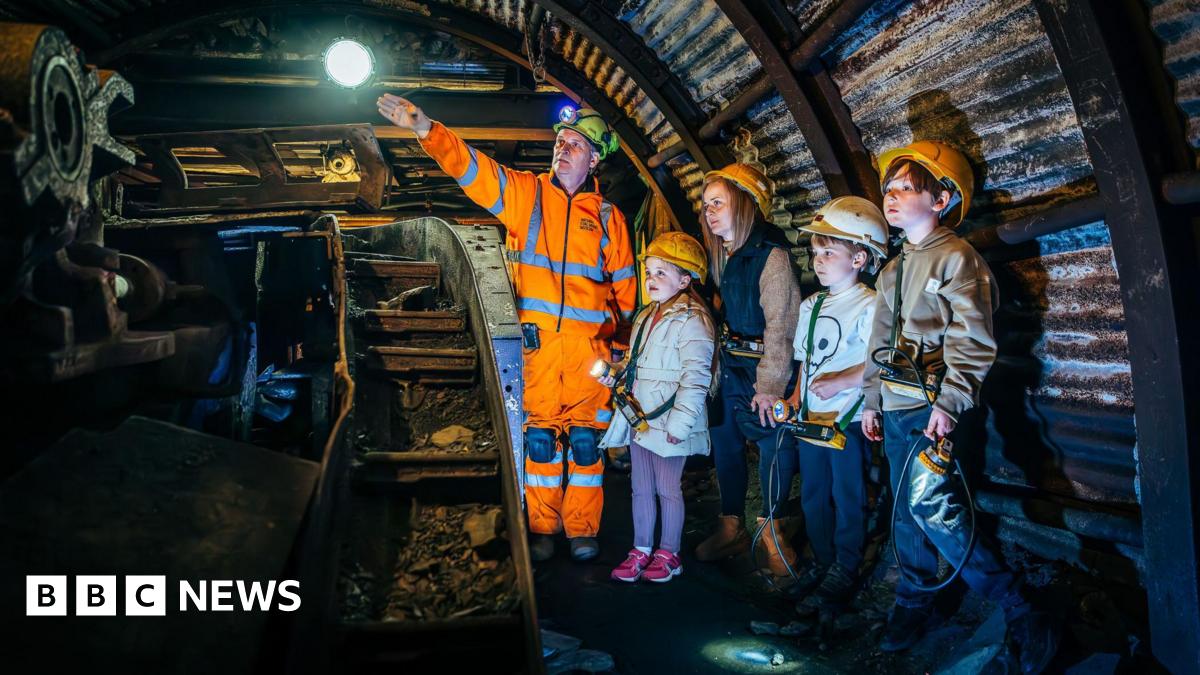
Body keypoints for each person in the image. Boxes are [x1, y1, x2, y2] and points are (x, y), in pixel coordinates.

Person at [377, 96, 636, 562]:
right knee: (539, 441)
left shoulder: (607, 219)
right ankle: (540, 528)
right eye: (561, 142)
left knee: (584, 445)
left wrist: (621, 348)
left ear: (594, 158)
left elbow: (626, 290)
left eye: (575, 144)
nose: (564, 149)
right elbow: (474, 169)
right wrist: (425, 128)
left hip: (588, 357)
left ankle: (581, 530)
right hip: (538, 351)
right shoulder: (527, 195)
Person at [861, 141, 1057, 671]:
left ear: (942, 198)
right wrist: (871, 401)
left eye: (905, 188)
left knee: (937, 511)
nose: (891, 197)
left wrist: (949, 402)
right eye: (888, 189)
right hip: (899, 408)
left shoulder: (956, 259)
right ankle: (915, 601)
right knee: (907, 513)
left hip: (934, 411)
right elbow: (879, 340)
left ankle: (1018, 607)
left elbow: (972, 340)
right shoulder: (892, 270)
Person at [692, 163, 802, 577]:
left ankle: (770, 531)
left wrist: (771, 385)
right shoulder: (726, 256)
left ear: (744, 203)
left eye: (717, 203)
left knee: (775, 447)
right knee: (725, 441)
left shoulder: (770, 255)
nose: (709, 212)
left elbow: (783, 324)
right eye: (706, 206)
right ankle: (731, 524)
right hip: (735, 367)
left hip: (763, 369)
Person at [779, 197, 887, 614]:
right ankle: (821, 562)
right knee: (813, 494)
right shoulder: (812, 305)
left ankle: (845, 565)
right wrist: (794, 397)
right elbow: (807, 360)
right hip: (811, 419)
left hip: (848, 420)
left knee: (847, 494)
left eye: (829, 252)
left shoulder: (870, 304)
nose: (818, 261)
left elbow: (880, 361)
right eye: (815, 252)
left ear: (859, 257)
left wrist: (840, 381)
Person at [596, 231, 714, 583]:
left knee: (667, 489)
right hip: (641, 419)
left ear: (685, 279)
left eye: (662, 273)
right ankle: (642, 549)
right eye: (649, 272)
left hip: (669, 422)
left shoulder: (694, 321)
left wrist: (680, 426)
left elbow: (696, 378)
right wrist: (613, 374)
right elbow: (635, 362)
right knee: (640, 487)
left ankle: (669, 553)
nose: (651, 280)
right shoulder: (648, 317)